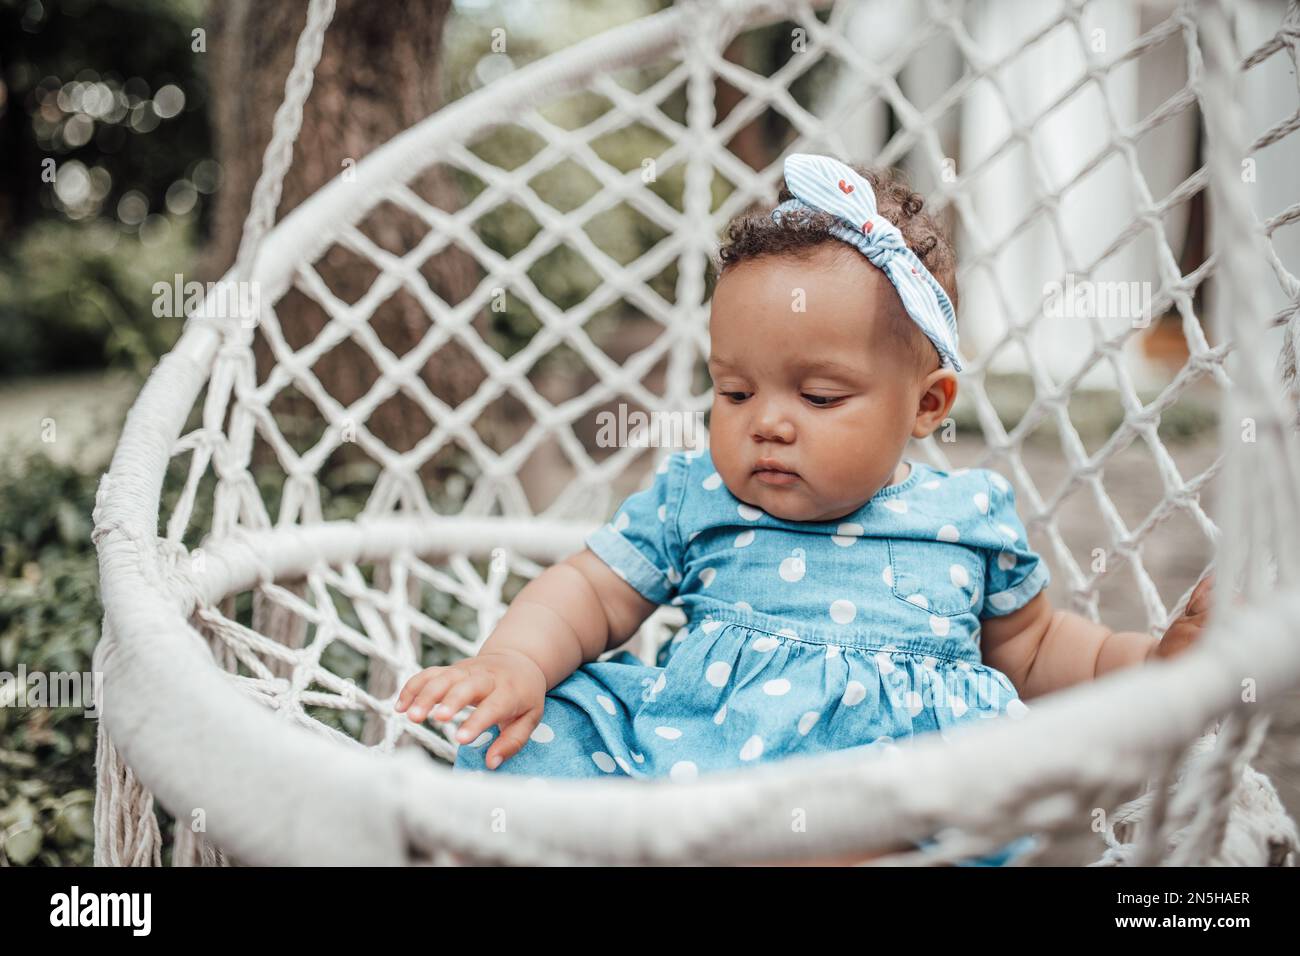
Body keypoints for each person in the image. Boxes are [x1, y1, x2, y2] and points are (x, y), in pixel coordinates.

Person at [395, 152, 1217, 866]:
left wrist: (1147, 670)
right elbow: (590, 592)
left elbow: (1034, 651)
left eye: (820, 395)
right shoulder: (699, 496)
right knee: (553, 727)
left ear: (927, 405)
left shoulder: (965, 517)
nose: (768, 422)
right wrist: (517, 662)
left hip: (892, 794)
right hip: (692, 775)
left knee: (985, 797)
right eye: (734, 391)